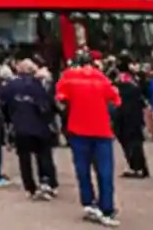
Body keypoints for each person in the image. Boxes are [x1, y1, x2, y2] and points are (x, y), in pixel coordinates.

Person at [56, 51, 121, 226]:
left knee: (82, 170)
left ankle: (88, 203)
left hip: (78, 129)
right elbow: (116, 100)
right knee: (105, 171)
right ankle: (107, 208)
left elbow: (61, 100)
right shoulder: (101, 78)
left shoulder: (68, 77)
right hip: (101, 130)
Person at [2, 58, 59, 200]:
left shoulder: (11, 85)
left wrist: (10, 119)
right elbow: (49, 105)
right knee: (44, 156)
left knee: (24, 158)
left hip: (20, 126)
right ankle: (47, 182)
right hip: (40, 126)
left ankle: (30, 187)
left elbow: (3, 102)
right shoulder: (39, 85)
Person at [113, 63, 150, 179]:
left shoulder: (120, 85)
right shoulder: (134, 82)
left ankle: (137, 167)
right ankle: (140, 167)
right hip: (135, 116)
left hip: (125, 117)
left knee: (130, 143)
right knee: (135, 143)